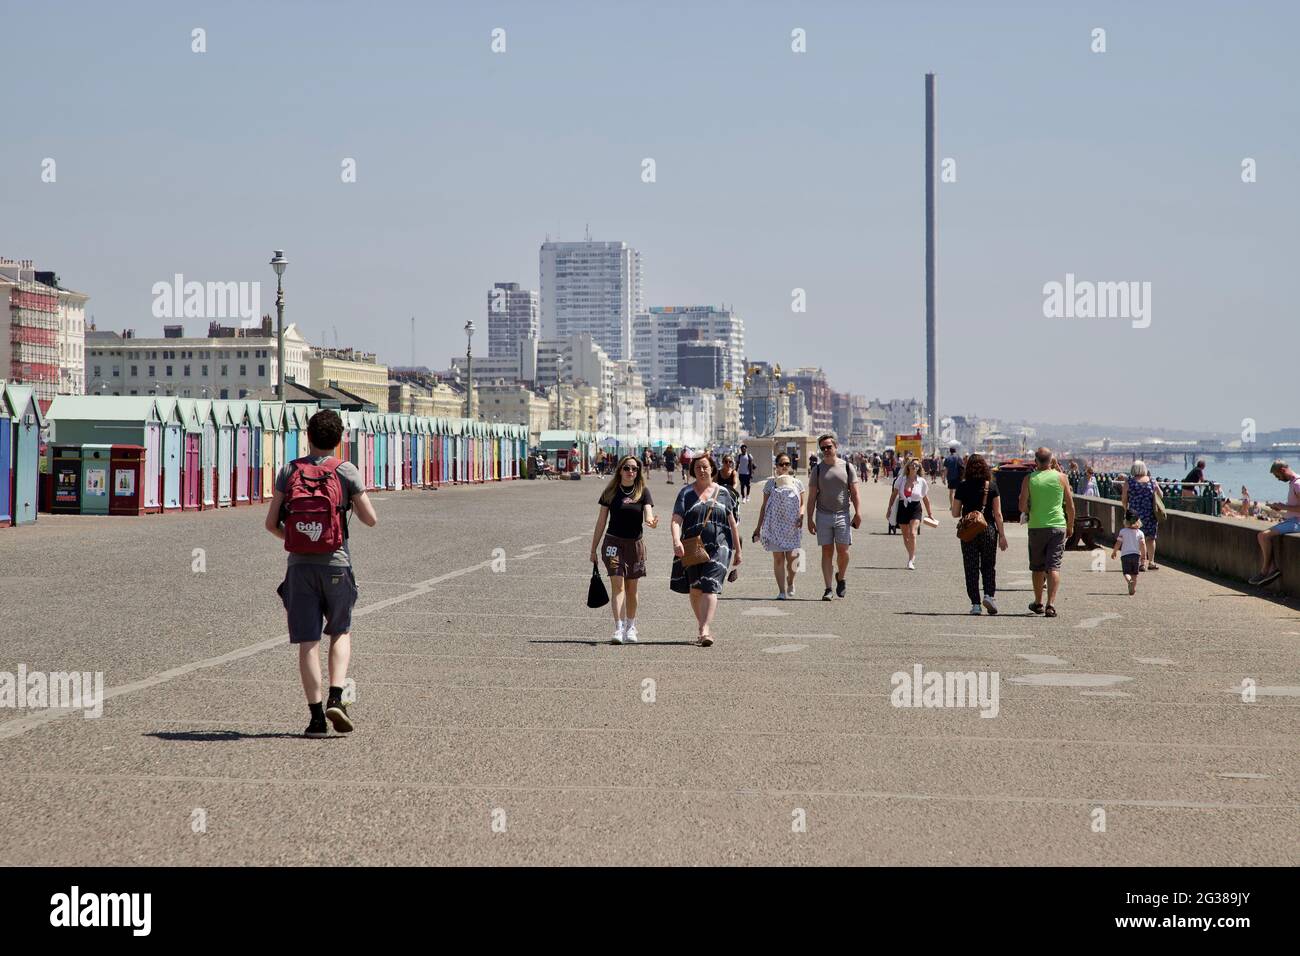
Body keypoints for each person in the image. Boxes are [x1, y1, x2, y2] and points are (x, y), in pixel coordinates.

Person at [265, 409, 377, 739]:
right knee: (340, 631)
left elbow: (271, 524)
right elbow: (371, 518)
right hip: (336, 564)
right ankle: (337, 697)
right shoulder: (346, 470)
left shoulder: (289, 471)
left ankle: (315, 719)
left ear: (308, 436)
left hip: (299, 568)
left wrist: (302, 538)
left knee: (307, 642)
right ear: (340, 439)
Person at [671, 453, 741, 646]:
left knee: (710, 585)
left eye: (705, 467)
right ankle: (702, 623)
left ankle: (704, 629)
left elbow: (732, 523)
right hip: (692, 546)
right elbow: (676, 519)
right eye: (697, 468)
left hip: (720, 546)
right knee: (695, 589)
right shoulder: (685, 493)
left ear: (712, 468)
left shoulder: (725, 493)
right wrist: (676, 540)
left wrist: (738, 550)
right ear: (693, 471)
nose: (701, 471)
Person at [590, 455, 658, 644]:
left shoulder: (643, 491)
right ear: (620, 469)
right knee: (618, 585)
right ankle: (618, 628)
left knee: (631, 587)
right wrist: (593, 548)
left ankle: (631, 626)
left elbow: (648, 514)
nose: (631, 472)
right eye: (627, 468)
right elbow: (601, 522)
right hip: (613, 543)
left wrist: (651, 522)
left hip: (635, 545)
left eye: (635, 469)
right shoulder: (610, 491)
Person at [1018, 446, 1075, 618]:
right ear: (1051, 461)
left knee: (1037, 568)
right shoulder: (1062, 478)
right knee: (1054, 567)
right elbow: (1071, 506)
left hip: (1036, 527)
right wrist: (1070, 526)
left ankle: (1038, 602)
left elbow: (1021, 506)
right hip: (1058, 526)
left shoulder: (1029, 479)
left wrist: (1030, 506)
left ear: (1036, 461)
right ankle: (1051, 604)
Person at [950, 453, 1008, 614]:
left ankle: (975, 604)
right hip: (988, 529)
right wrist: (1002, 536)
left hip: (969, 530)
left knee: (971, 567)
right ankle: (989, 595)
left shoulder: (963, 486)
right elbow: (998, 514)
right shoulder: (992, 486)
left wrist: (966, 510)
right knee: (989, 566)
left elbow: (955, 513)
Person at [806, 434, 861, 600]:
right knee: (827, 551)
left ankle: (841, 577)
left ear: (835, 447)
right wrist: (809, 518)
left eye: (829, 447)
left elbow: (855, 493)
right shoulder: (817, 470)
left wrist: (858, 513)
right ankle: (828, 588)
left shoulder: (847, 467)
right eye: (823, 448)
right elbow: (812, 497)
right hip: (823, 515)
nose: (826, 450)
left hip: (842, 514)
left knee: (843, 551)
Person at [751, 452, 805, 599]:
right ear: (776, 466)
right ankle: (781, 591)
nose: (784, 467)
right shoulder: (770, 484)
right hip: (774, 525)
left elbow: (802, 503)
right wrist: (758, 527)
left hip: (792, 526)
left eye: (787, 464)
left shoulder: (797, 483)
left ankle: (791, 580)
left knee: (794, 559)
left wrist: (801, 516)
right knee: (779, 559)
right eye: (782, 464)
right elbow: (764, 506)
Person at [1249, 460, 1300, 585]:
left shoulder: (1297, 484)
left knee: (1263, 535)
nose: (1278, 479)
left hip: (1297, 522)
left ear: (1282, 470)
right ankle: (1270, 569)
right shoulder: (1294, 483)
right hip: (1293, 520)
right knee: (1263, 535)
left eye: (1277, 475)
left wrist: (1283, 507)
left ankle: (1267, 570)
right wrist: (1281, 507)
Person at [886, 458, 934, 570]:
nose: (914, 467)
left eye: (917, 466)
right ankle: (911, 554)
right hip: (903, 507)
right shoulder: (901, 480)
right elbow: (894, 495)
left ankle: (911, 559)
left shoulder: (921, 481)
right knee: (905, 535)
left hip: (915, 508)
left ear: (919, 468)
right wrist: (889, 508)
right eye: (912, 465)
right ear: (908, 467)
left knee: (913, 533)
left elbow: (926, 499)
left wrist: (930, 513)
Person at [1119, 460, 1163, 570]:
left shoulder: (1129, 482)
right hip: (1150, 514)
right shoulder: (1152, 481)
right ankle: (1151, 562)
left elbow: (1124, 499)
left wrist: (1126, 510)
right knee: (1151, 539)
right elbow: (1161, 495)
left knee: (1136, 539)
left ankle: (1140, 563)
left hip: (1134, 515)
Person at [1110, 510, 1147, 596]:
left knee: (1126, 572)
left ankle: (1129, 581)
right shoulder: (1140, 533)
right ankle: (1133, 589)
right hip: (1136, 555)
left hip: (1125, 555)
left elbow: (1118, 542)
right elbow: (1143, 545)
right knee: (1135, 574)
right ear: (1138, 521)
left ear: (1126, 521)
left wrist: (1114, 551)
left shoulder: (1123, 531)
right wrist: (1143, 557)